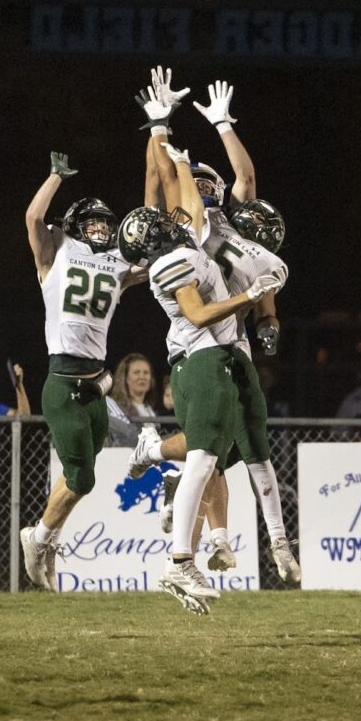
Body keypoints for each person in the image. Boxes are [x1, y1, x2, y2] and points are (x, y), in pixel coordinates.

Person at [133, 69, 301, 584]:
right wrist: (159, 129)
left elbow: (246, 182)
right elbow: (158, 182)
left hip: (234, 338)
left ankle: (271, 542)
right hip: (196, 339)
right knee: (210, 446)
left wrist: (225, 125)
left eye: (210, 184)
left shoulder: (228, 224)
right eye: (196, 182)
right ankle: (165, 472)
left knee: (244, 445)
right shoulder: (186, 228)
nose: (202, 188)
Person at [119, 186, 281, 612]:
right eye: (160, 226)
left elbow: (190, 204)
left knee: (212, 456)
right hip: (200, 358)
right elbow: (195, 314)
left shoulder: (185, 250)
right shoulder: (172, 261)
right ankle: (180, 560)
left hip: (215, 357)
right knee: (205, 458)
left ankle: (187, 544)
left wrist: (173, 148)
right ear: (153, 241)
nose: (171, 223)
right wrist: (248, 296)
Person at [20, 151, 144, 591]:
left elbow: (151, 269)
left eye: (105, 224)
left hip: (97, 384)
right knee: (82, 477)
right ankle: (39, 540)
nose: (101, 229)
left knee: (80, 479)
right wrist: (54, 176)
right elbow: (34, 216)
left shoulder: (114, 262)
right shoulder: (55, 252)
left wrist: (167, 239)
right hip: (65, 381)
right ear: (74, 225)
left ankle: (41, 537)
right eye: (92, 222)